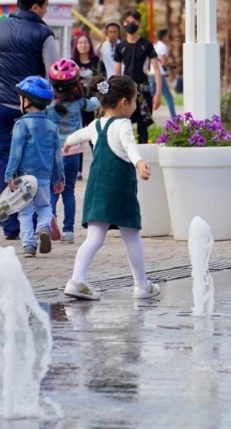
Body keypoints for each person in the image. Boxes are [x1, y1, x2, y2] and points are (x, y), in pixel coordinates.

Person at [62, 75, 161, 301]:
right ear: (124, 102)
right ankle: (141, 285)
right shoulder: (122, 124)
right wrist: (139, 163)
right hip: (119, 190)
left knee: (94, 238)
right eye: (136, 100)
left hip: (97, 189)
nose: (136, 105)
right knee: (132, 236)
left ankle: (76, 280)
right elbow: (129, 145)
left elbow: (77, 135)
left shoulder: (96, 125)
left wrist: (67, 143)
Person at [0, 0, 59, 240]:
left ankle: (11, 225)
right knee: (33, 165)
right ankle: (33, 223)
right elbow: (53, 73)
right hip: (32, 111)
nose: (46, 12)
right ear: (35, 7)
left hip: (0, 108)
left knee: (5, 166)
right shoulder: (44, 33)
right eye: (45, 7)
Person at [3, 76, 64, 258]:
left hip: (25, 178)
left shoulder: (21, 124)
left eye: (20, 98)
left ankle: (29, 245)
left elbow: (15, 153)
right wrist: (59, 178)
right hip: (44, 177)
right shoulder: (52, 126)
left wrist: (9, 176)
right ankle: (44, 227)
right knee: (45, 207)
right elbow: (57, 155)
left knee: (25, 212)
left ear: (27, 101)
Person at [47, 58, 100, 243]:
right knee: (68, 191)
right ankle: (68, 231)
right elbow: (94, 104)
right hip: (73, 152)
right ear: (75, 83)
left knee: (53, 190)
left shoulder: (48, 104)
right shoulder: (79, 102)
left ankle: (48, 221)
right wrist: (98, 92)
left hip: (53, 153)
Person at [113, 9, 162, 144]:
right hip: (126, 91)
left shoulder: (146, 45)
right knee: (124, 125)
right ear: (123, 23)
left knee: (143, 126)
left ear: (139, 23)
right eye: (127, 22)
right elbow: (116, 72)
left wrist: (158, 93)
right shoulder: (120, 46)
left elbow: (156, 69)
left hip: (143, 90)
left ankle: (142, 159)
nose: (130, 25)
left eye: (133, 22)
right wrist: (114, 92)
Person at [71, 31, 104, 180]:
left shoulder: (97, 62)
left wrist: (103, 101)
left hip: (94, 104)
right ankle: (77, 170)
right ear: (76, 46)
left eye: (85, 43)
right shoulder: (71, 64)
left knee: (94, 135)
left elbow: (104, 84)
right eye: (80, 43)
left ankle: (98, 166)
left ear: (90, 45)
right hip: (76, 104)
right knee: (78, 136)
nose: (83, 45)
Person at [149, 28, 176, 116]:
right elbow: (164, 62)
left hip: (152, 73)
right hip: (159, 74)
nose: (168, 38)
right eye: (167, 36)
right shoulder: (163, 46)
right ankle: (175, 120)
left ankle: (145, 116)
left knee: (149, 96)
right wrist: (171, 63)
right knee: (169, 98)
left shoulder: (156, 45)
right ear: (164, 37)